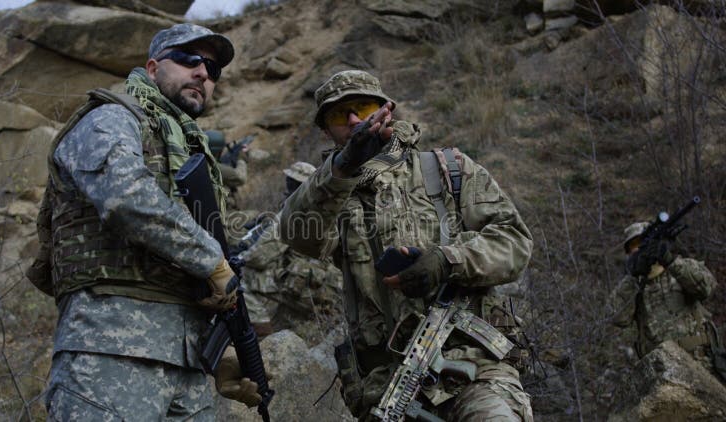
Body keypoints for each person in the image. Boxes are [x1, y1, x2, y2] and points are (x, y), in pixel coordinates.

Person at [278, 70, 534, 420]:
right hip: (388, 387)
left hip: (474, 368)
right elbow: (296, 233)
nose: (354, 120)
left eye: (363, 106)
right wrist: (343, 167)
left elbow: (514, 241)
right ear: (326, 130)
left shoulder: (449, 170)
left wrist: (447, 260)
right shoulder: (329, 195)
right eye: (340, 115)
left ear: (387, 110)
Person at [36, 23, 261, 419]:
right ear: (153, 68)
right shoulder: (111, 118)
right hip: (108, 354)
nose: (203, 73)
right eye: (189, 59)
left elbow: (199, 273)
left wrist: (218, 353)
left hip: (186, 370)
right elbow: (126, 198)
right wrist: (212, 262)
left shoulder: (191, 149)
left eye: (212, 68)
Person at [239, 161, 343, 340]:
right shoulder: (326, 209)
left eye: (290, 182)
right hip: (331, 287)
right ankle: (283, 326)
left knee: (239, 275)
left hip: (313, 290)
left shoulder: (292, 215)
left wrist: (240, 255)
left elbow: (258, 258)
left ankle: (261, 330)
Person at [612, 221, 720, 376]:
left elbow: (706, 287)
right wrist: (633, 277)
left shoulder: (680, 268)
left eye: (642, 242)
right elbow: (617, 317)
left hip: (700, 366)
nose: (638, 248)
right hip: (662, 375)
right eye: (633, 246)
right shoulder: (634, 286)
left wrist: (669, 260)